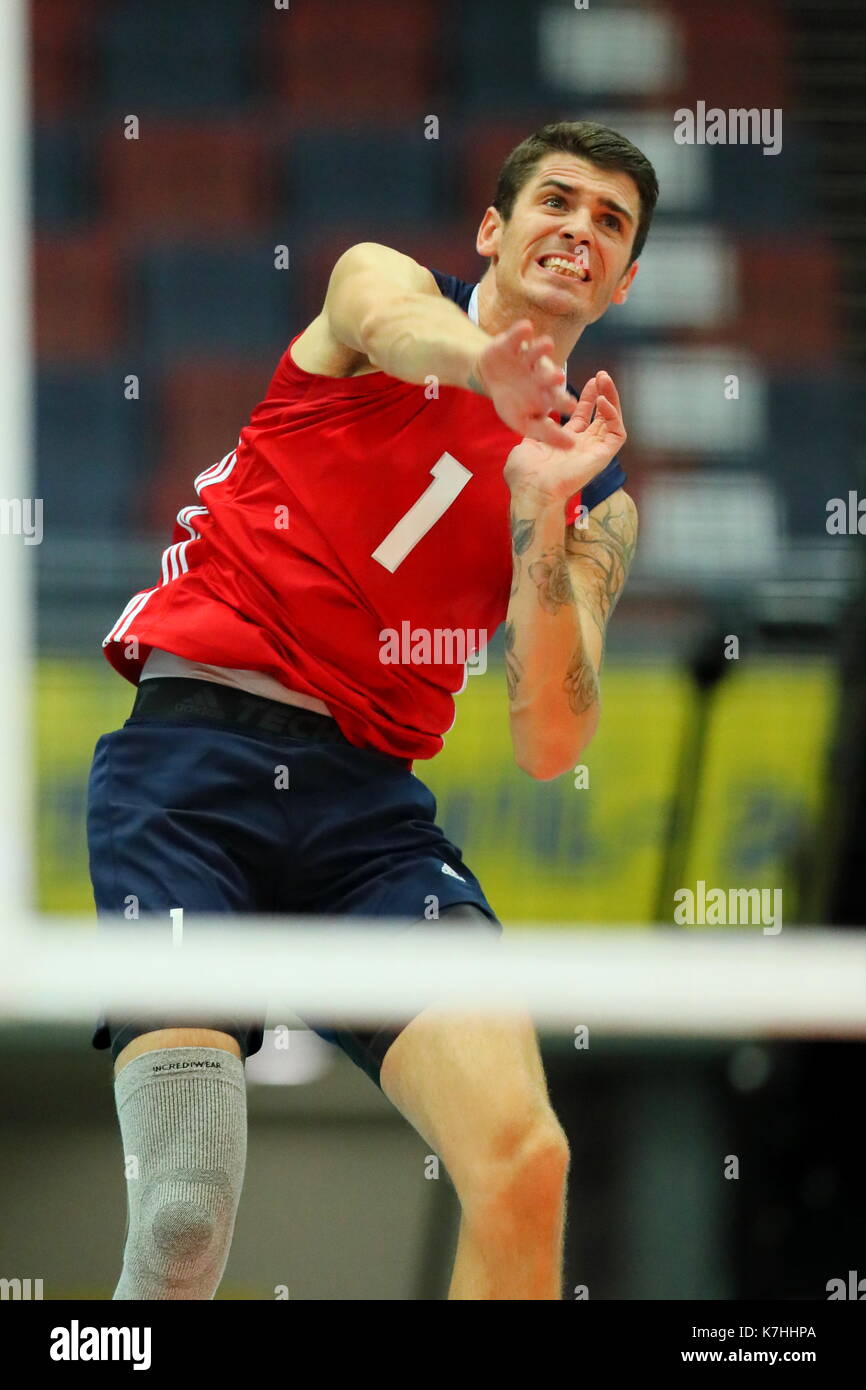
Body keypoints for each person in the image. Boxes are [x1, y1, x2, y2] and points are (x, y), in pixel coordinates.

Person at [87, 119, 658, 1300]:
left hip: (366, 819)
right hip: (189, 767)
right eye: (557, 201)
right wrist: (491, 371)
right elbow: (397, 327)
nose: (580, 229)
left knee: (524, 1162)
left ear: (623, 281)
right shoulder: (379, 287)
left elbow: (548, 737)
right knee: (184, 1216)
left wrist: (535, 512)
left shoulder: (593, 491)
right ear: (493, 228)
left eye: (610, 221)